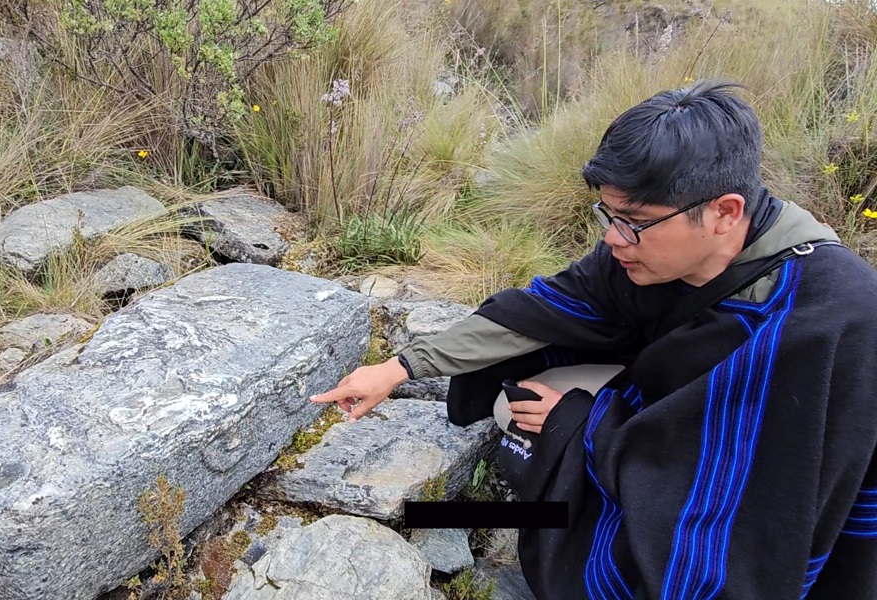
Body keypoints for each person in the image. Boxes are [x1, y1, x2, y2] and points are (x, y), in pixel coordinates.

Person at [309, 79, 877, 599]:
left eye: (632, 220)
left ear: (725, 213)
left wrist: (582, 422)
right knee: (517, 402)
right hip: (666, 430)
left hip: (748, 491)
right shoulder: (641, 255)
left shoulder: (827, 317)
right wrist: (400, 368)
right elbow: (540, 309)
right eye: (606, 213)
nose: (613, 237)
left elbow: (754, 485)